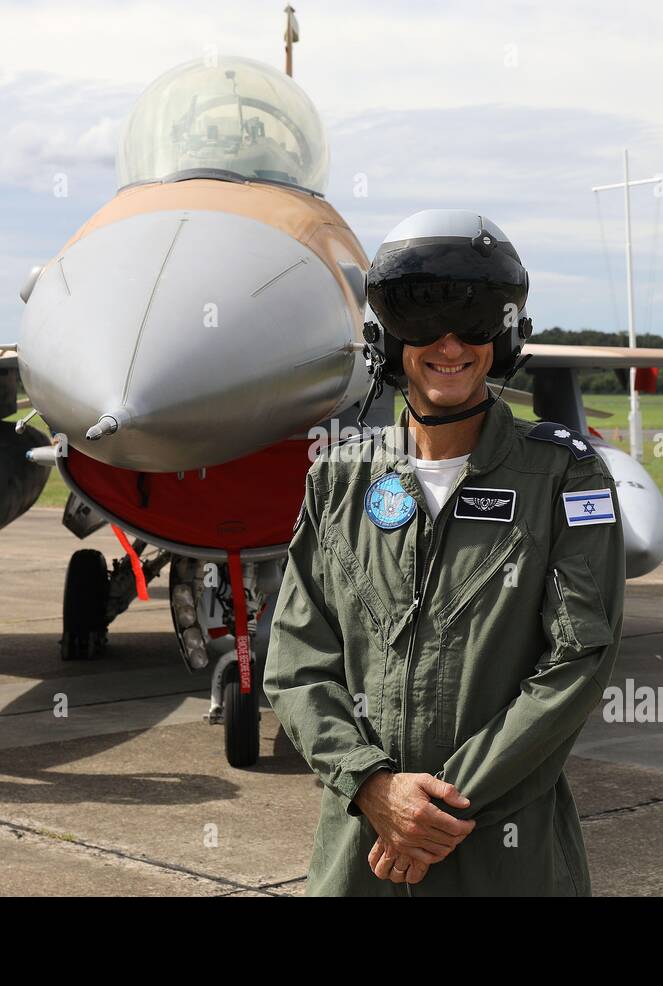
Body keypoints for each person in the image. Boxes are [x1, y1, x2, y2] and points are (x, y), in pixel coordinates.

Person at [264, 210, 625, 895]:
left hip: (502, 854)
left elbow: (577, 661)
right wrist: (371, 786)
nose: (449, 344)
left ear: (508, 333)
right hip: (362, 855)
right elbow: (296, 663)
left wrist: (434, 810)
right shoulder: (338, 479)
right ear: (383, 338)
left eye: (476, 319)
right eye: (420, 320)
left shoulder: (565, 478)